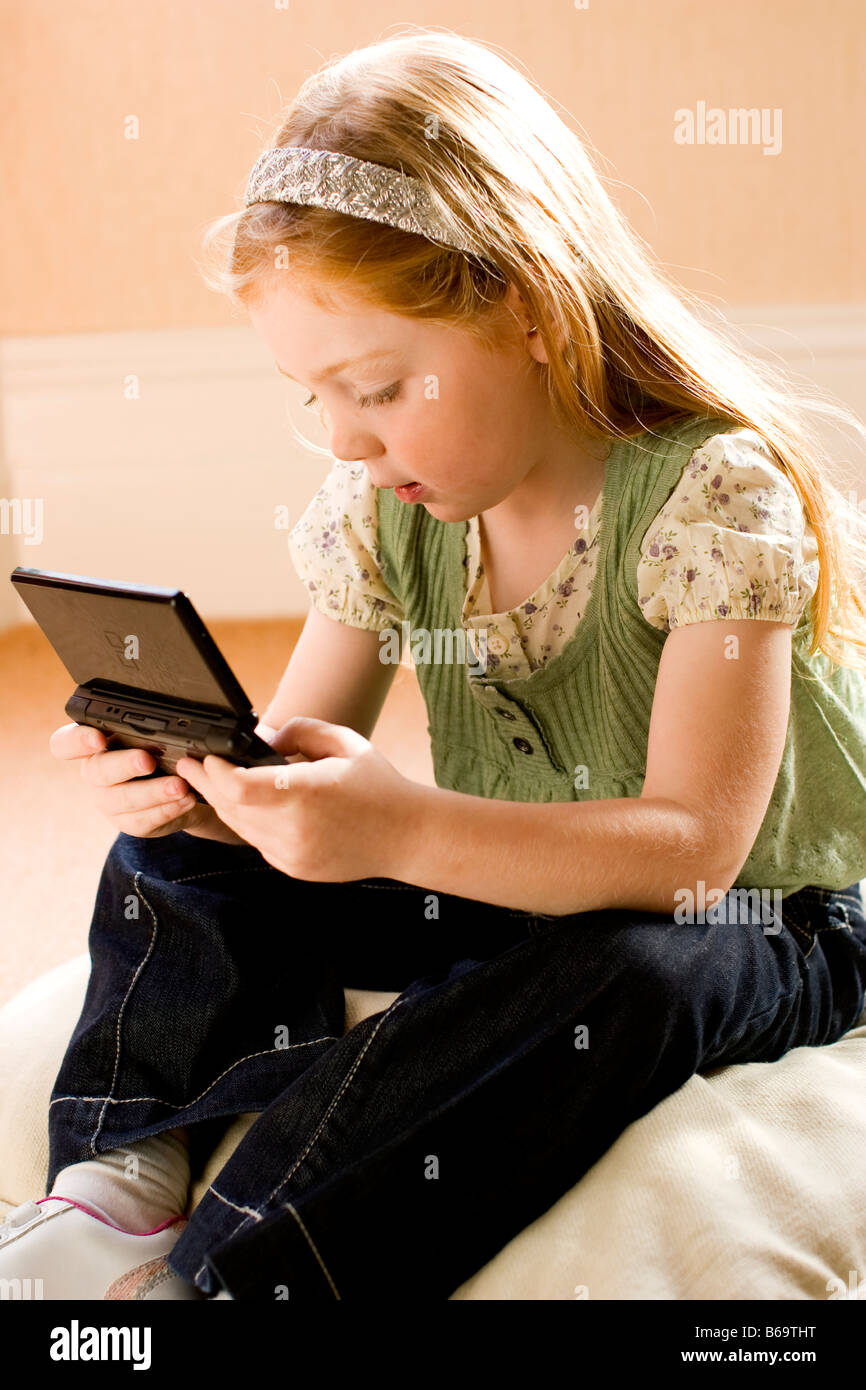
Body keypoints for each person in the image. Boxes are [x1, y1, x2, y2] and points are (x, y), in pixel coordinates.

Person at [3, 28, 866, 1302]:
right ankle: (120, 1178)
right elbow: (294, 762)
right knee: (179, 857)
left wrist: (398, 829)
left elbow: (694, 854)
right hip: (516, 889)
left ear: (523, 307)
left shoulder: (706, 497)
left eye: (383, 385)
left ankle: (240, 1267)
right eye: (315, 396)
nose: (348, 437)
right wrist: (204, 792)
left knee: (631, 971)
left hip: (757, 917)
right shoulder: (383, 509)